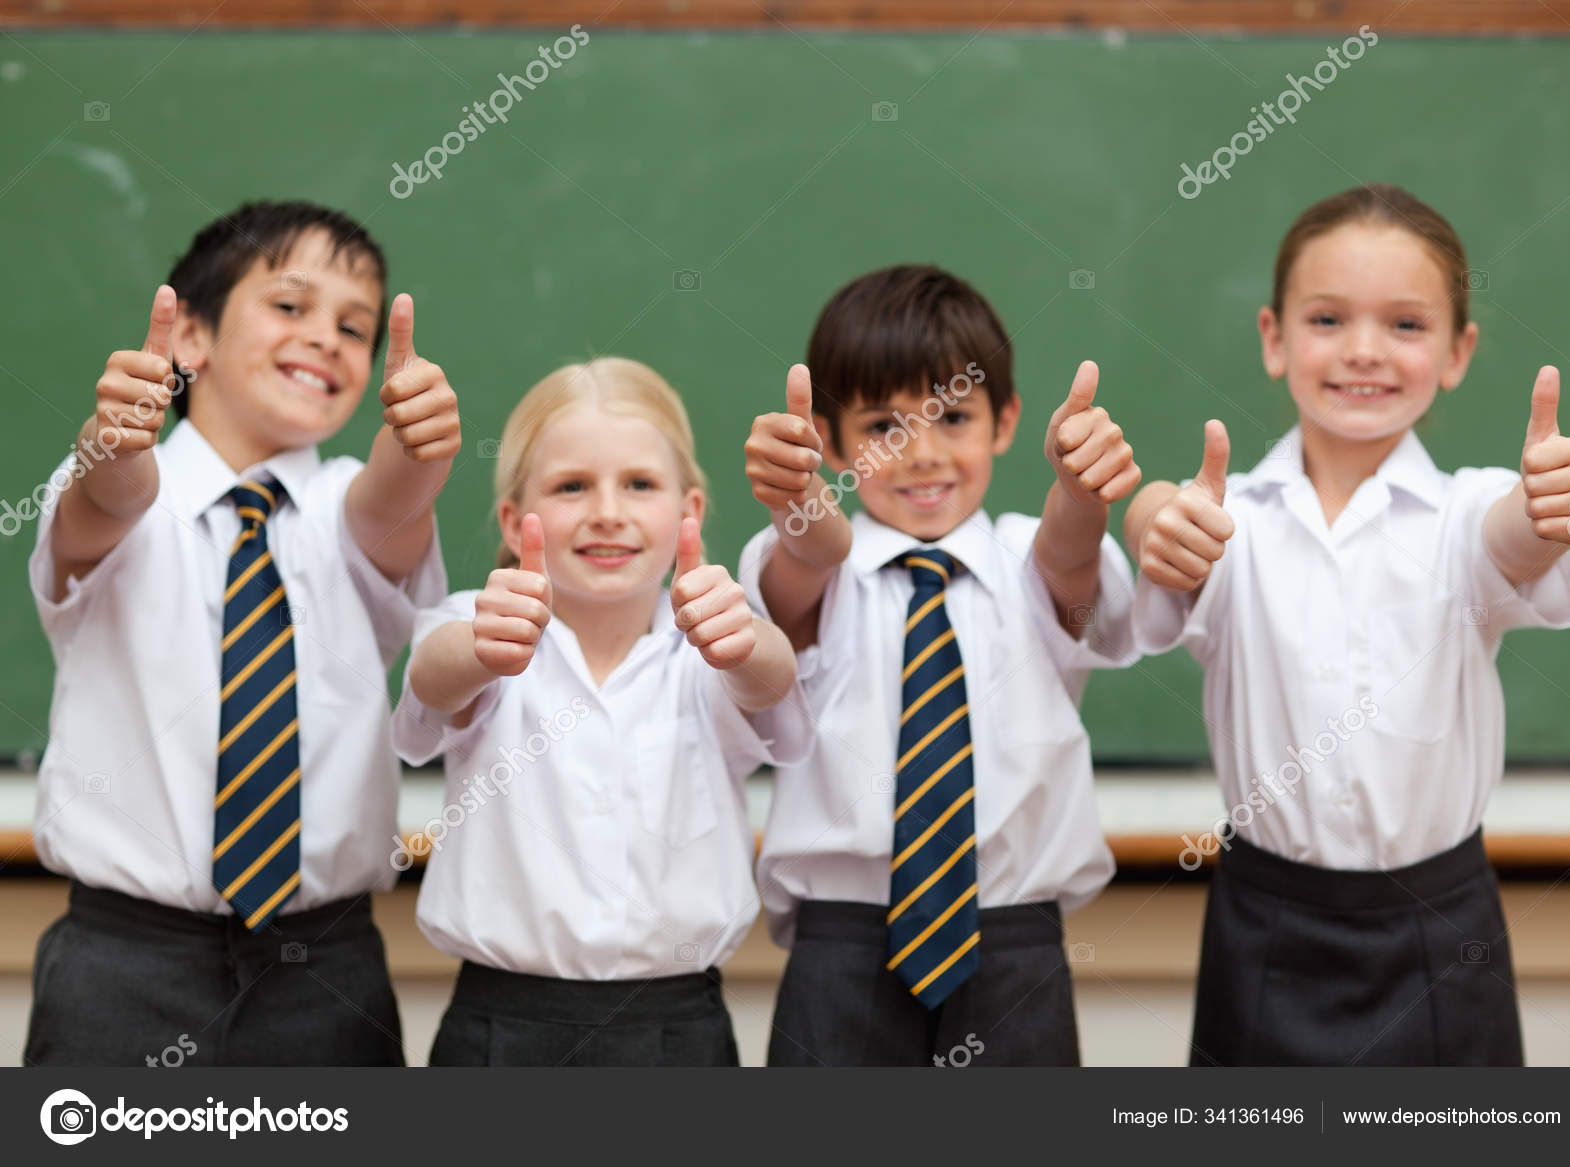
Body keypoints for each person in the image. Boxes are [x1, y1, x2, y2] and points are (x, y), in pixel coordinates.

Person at [1125, 182, 1570, 1065]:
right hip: (1264, 924)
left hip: (1441, 928)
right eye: (1328, 319)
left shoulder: (1469, 511)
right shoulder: (1227, 520)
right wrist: (1150, 512)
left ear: (1458, 351)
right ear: (1274, 338)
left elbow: (1515, 537)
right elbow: (1166, 532)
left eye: (1407, 324)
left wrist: (1547, 508)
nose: (1365, 351)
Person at [25, 200, 459, 1065]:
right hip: (123, 963)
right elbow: (107, 494)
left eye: (355, 328)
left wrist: (420, 451)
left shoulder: (345, 506)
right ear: (191, 335)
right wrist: (114, 441)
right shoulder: (121, 494)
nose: (326, 337)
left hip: (324, 969)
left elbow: (395, 497)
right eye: (291, 306)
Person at [740, 263, 1141, 1066]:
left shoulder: (1029, 559)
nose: (921, 453)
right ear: (830, 440)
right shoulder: (820, 573)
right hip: (842, 948)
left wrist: (1081, 492)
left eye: (953, 416)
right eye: (883, 427)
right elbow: (800, 570)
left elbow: (1071, 554)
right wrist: (796, 503)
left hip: (1015, 945)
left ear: (1005, 421)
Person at [395, 357, 811, 1066]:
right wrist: (480, 649)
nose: (608, 512)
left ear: (689, 513)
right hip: (499, 1025)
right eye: (571, 486)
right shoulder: (477, 626)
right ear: (512, 520)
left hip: (678, 1030)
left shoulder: (713, 649)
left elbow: (772, 683)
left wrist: (748, 639)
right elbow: (433, 682)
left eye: (640, 484)